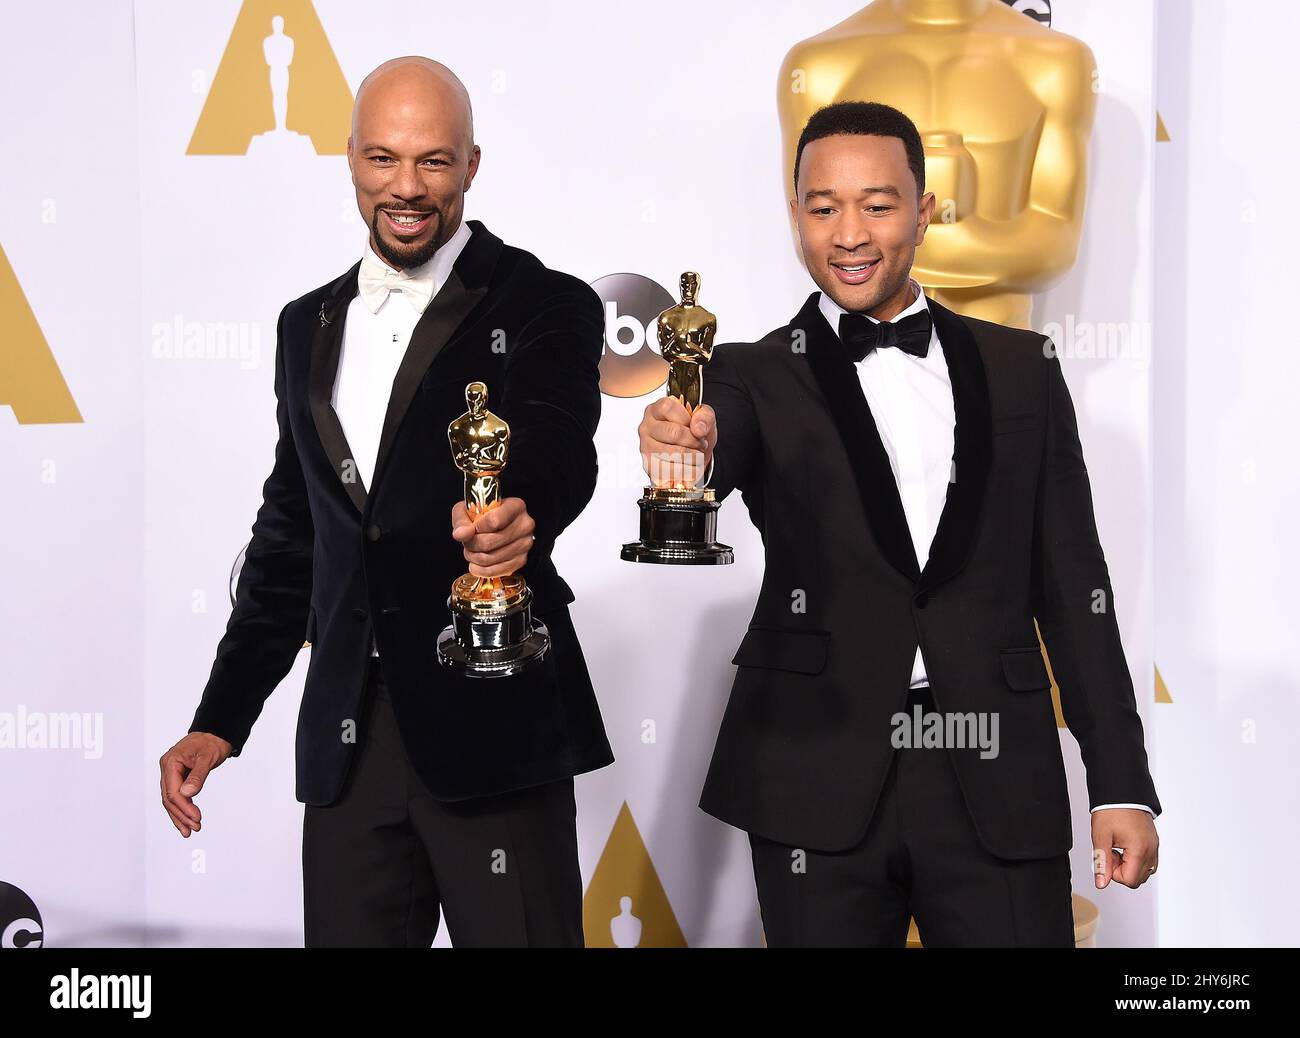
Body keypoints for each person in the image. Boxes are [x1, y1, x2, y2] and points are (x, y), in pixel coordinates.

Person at [637, 100, 1160, 947]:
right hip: (817, 772)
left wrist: (1120, 784)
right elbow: (703, 451)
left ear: (924, 211)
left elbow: (1073, 587)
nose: (849, 234)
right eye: (822, 207)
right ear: (797, 214)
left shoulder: (1022, 370)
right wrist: (678, 447)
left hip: (996, 770)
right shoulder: (747, 375)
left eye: (877, 205)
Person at [159, 56, 613, 947]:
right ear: (352, 160)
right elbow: (293, 535)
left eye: (434, 162)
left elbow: (559, 442)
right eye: (384, 159)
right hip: (348, 742)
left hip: (492, 719)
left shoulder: (542, 301)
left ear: (472, 165)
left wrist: (521, 512)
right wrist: (221, 717)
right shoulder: (306, 324)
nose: (407, 187)